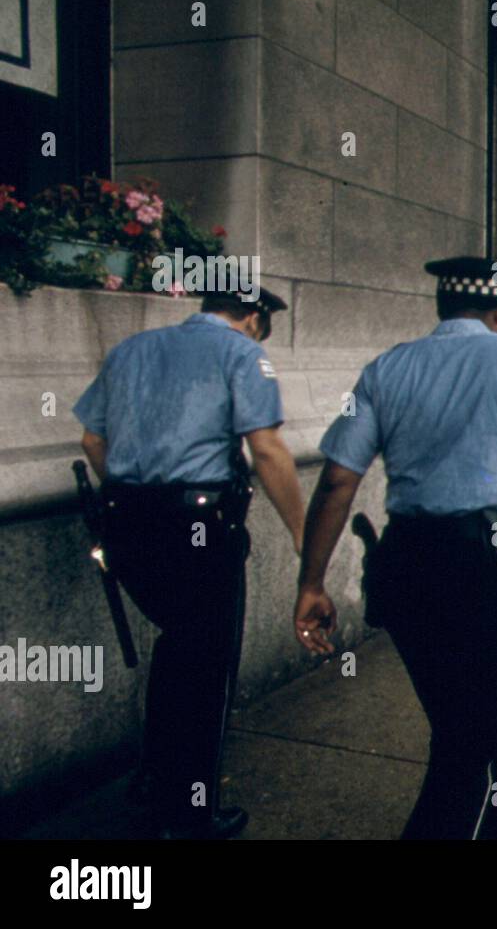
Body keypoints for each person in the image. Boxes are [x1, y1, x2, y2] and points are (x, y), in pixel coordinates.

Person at [292, 256, 497, 840]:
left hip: (407, 568)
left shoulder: (386, 368)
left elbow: (338, 480)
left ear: (441, 306)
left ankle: (495, 824)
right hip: (484, 571)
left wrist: (311, 583)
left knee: (460, 724)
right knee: (468, 742)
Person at [73, 287, 305, 839]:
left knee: (178, 651)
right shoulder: (244, 354)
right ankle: (188, 814)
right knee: (205, 671)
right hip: (197, 531)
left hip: (127, 524)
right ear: (253, 318)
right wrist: (304, 536)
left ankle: (157, 778)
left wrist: (138, 488)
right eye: (260, 327)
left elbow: (91, 439)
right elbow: (268, 450)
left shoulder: (132, 348)